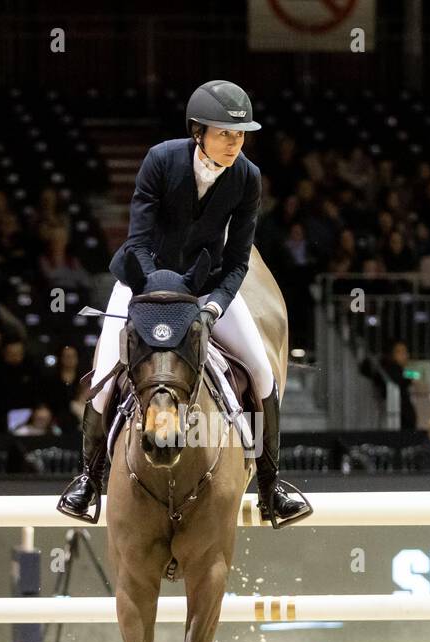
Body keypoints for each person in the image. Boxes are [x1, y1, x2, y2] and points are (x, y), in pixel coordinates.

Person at [57, 80, 312, 528]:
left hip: (205, 288)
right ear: (199, 132)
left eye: (240, 134)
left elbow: (235, 263)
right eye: (225, 133)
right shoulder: (161, 160)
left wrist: (212, 306)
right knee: (103, 373)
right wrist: (160, 290)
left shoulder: (247, 177)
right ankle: (89, 480)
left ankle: (273, 487)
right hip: (143, 281)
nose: (235, 143)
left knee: (261, 370)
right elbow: (136, 242)